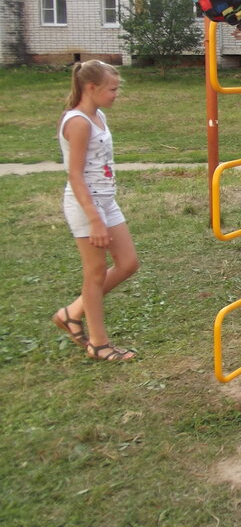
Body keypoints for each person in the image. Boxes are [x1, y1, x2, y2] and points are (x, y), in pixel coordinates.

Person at [53, 61, 139, 361]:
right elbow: (75, 175)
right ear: (91, 88)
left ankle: (72, 313)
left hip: (106, 202)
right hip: (85, 206)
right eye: (112, 89)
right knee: (96, 273)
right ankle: (99, 344)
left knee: (128, 263)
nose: (116, 94)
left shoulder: (98, 115)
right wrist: (94, 220)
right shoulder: (78, 122)